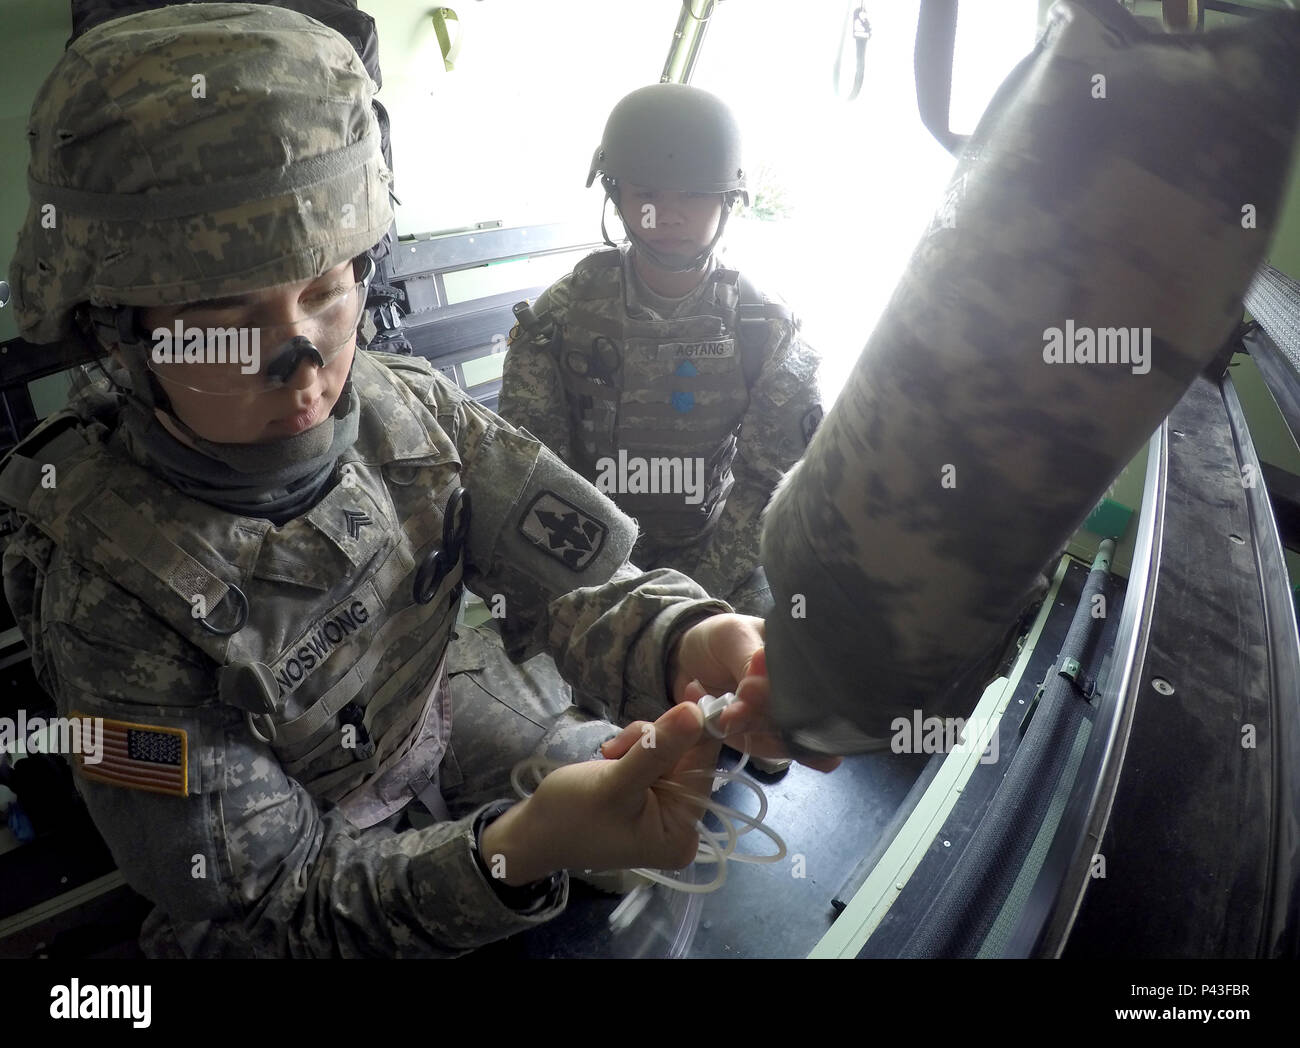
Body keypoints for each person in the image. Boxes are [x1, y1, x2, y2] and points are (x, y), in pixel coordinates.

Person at [0, 3, 832, 959]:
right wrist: (510, 855)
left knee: (640, 839)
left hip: (439, 715)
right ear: (114, 328)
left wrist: (693, 634)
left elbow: (578, 582)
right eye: (222, 317)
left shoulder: (408, 407)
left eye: (323, 290)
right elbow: (274, 901)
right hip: (275, 878)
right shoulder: (102, 591)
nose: (303, 361)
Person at [499, 83, 825, 620]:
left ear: (728, 201)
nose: (668, 216)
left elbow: (770, 484)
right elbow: (536, 469)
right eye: (647, 194)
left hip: (714, 550)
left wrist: (694, 595)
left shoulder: (763, 328)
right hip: (586, 549)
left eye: (695, 195)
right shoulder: (562, 316)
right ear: (617, 196)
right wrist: (608, 583)